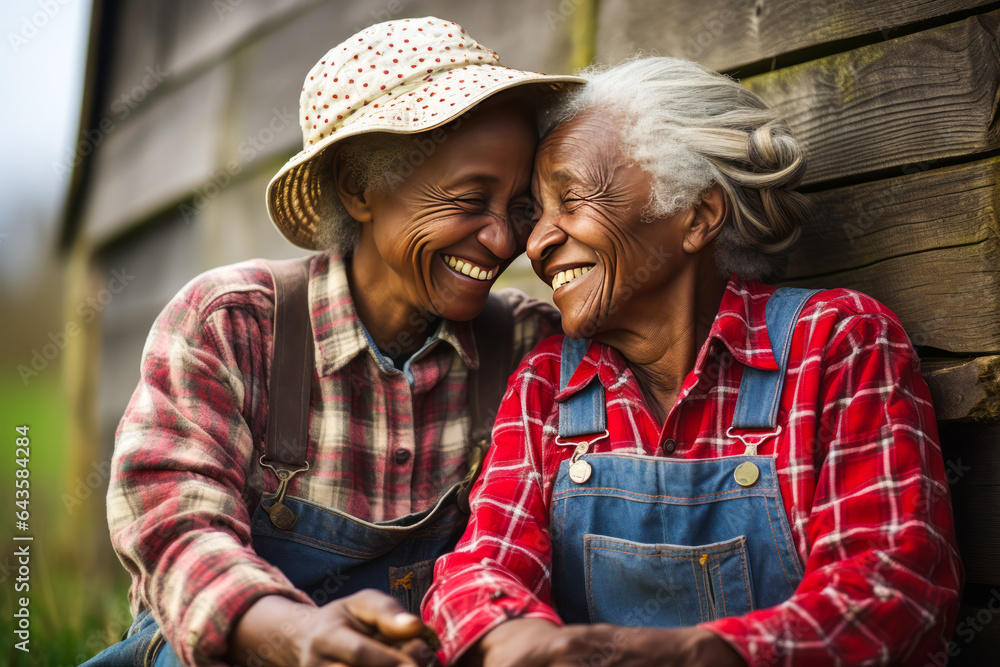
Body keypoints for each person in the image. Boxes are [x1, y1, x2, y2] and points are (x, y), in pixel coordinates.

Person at [423, 56, 963, 667]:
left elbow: (894, 590)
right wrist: (510, 636)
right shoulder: (548, 385)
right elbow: (481, 565)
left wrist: (696, 654)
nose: (538, 241)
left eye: (571, 200)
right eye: (538, 212)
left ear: (699, 215)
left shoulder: (835, 343)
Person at [82, 17, 582, 667]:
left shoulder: (525, 345)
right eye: (469, 199)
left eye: (518, 206)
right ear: (360, 186)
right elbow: (174, 527)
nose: (501, 240)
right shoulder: (232, 325)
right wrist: (294, 634)